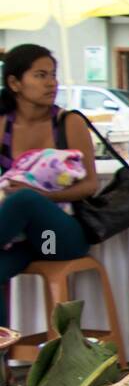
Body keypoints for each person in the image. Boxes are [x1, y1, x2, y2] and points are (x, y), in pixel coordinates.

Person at [0, 45, 99, 326]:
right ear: (14, 83)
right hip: (19, 240)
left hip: (54, 240)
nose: (51, 83)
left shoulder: (68, 122)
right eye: (41, 75)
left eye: (53, 75)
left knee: (25, 200)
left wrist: (43, 196)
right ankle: (2, 365)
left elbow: (89, 185)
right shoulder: (3, 124)